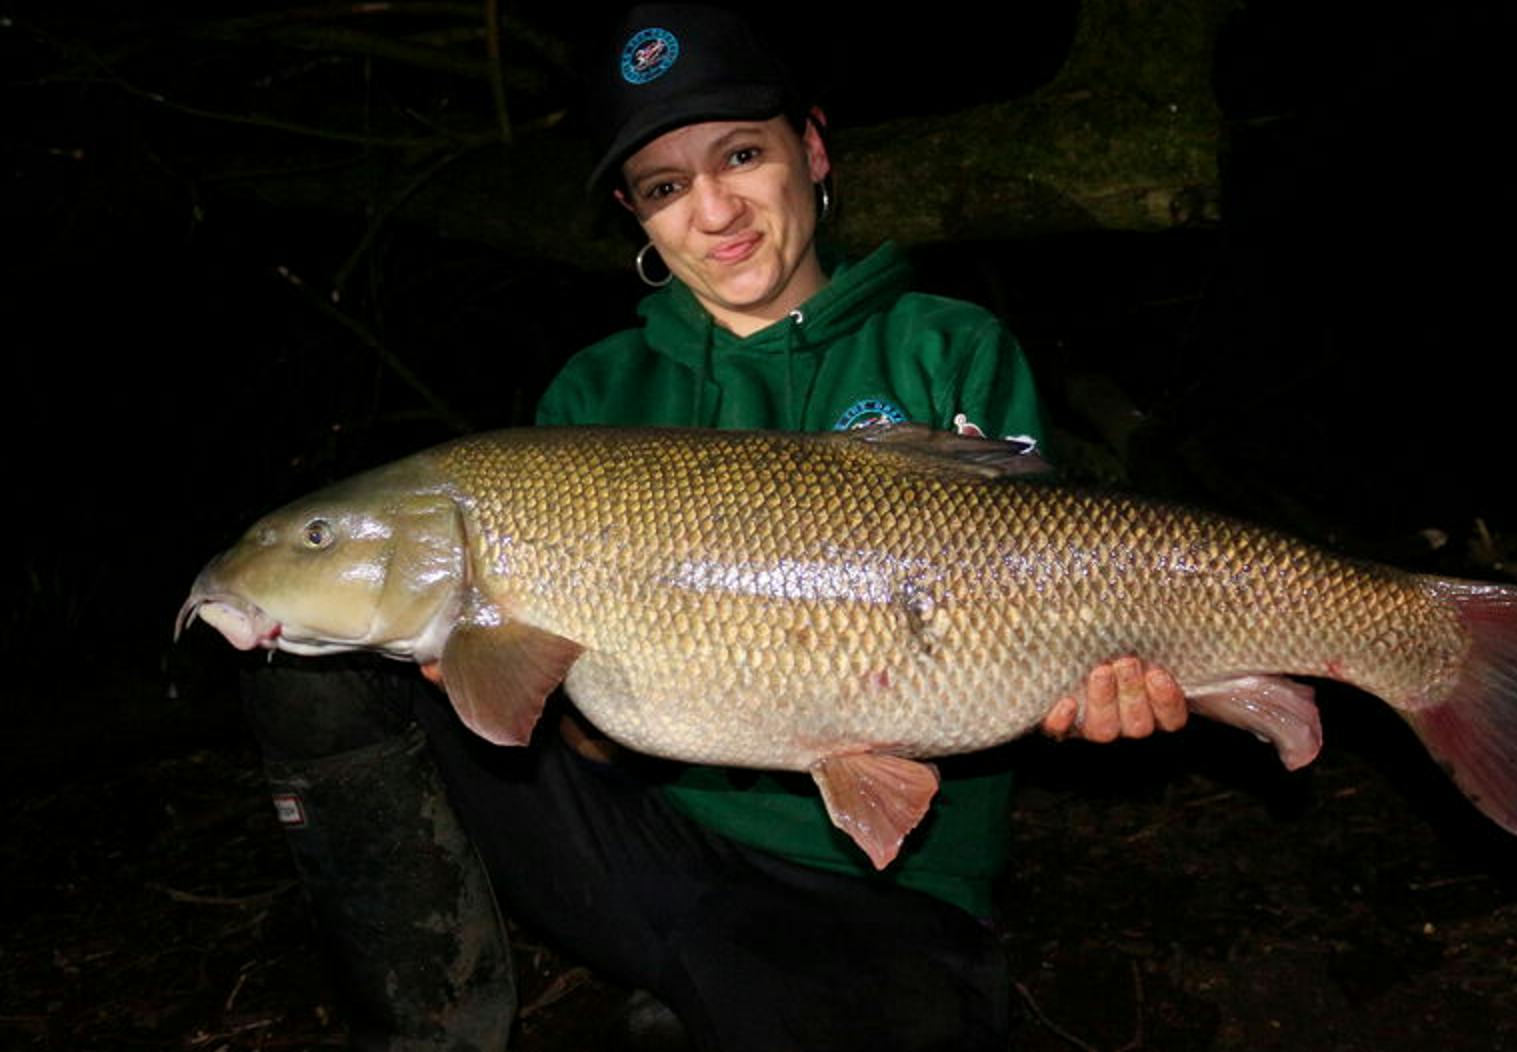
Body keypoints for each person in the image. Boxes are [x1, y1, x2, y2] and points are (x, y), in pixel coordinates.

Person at [243, 5, 1189, 1050]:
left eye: (739, 154)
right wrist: (497, 667)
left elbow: (1047, 573)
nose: (712, 209)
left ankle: (718, 984)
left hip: (888, 877)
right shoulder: (596, 391)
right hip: (650, 837)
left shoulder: (945, 347)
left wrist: (1086, 684)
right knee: (322, 657)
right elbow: (589, 747)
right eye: (662, 185)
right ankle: (434, 1026)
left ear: (812, 147)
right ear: (634, 215)